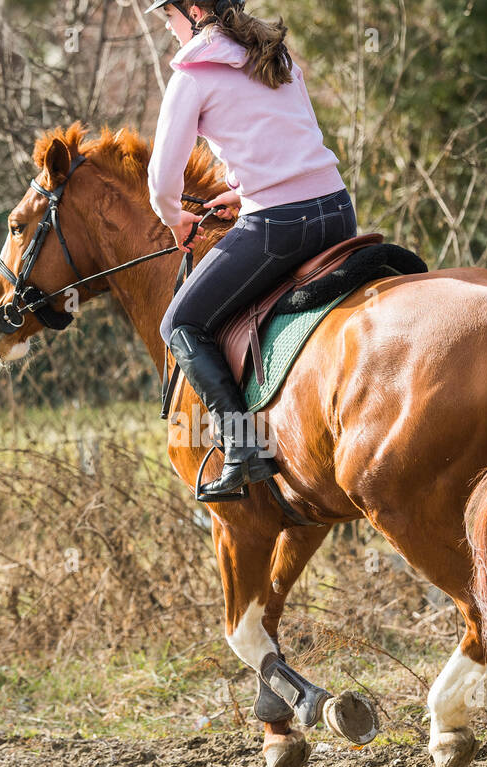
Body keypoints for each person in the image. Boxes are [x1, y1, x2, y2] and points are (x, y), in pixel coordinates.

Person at [145, 0, 357, 501]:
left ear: (193, 10)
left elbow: (160, 183)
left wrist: (175, 219)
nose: (170, 30)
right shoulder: (276, 54)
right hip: (337, 210)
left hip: (281, 227)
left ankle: (241, 447)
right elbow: (297, 143)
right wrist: (243, 191)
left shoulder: (192, 76)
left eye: (168, 18)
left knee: (179, 324)